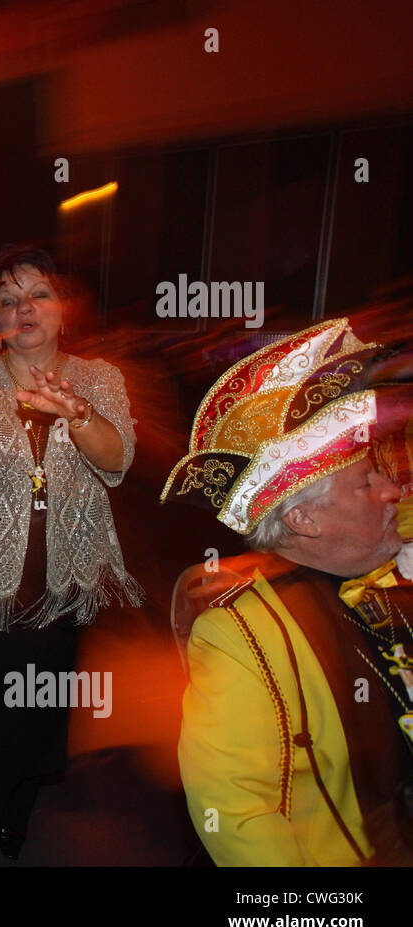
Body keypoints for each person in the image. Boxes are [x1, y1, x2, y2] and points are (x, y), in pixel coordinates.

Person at [0, 245, 143, 865]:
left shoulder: (98, 378)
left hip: (59, 591)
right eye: (9, 300)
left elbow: (117, 461)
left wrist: (78, 414)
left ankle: (12, 811)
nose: (25, 308)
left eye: (40, 294)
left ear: (64, 310)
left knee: (34, 721)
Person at [162, 317, 413, 865]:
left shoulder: (392, 568)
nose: (393, 489)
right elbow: (237, 812)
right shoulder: (237, 636)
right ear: (304, 520)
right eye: (366, 483)